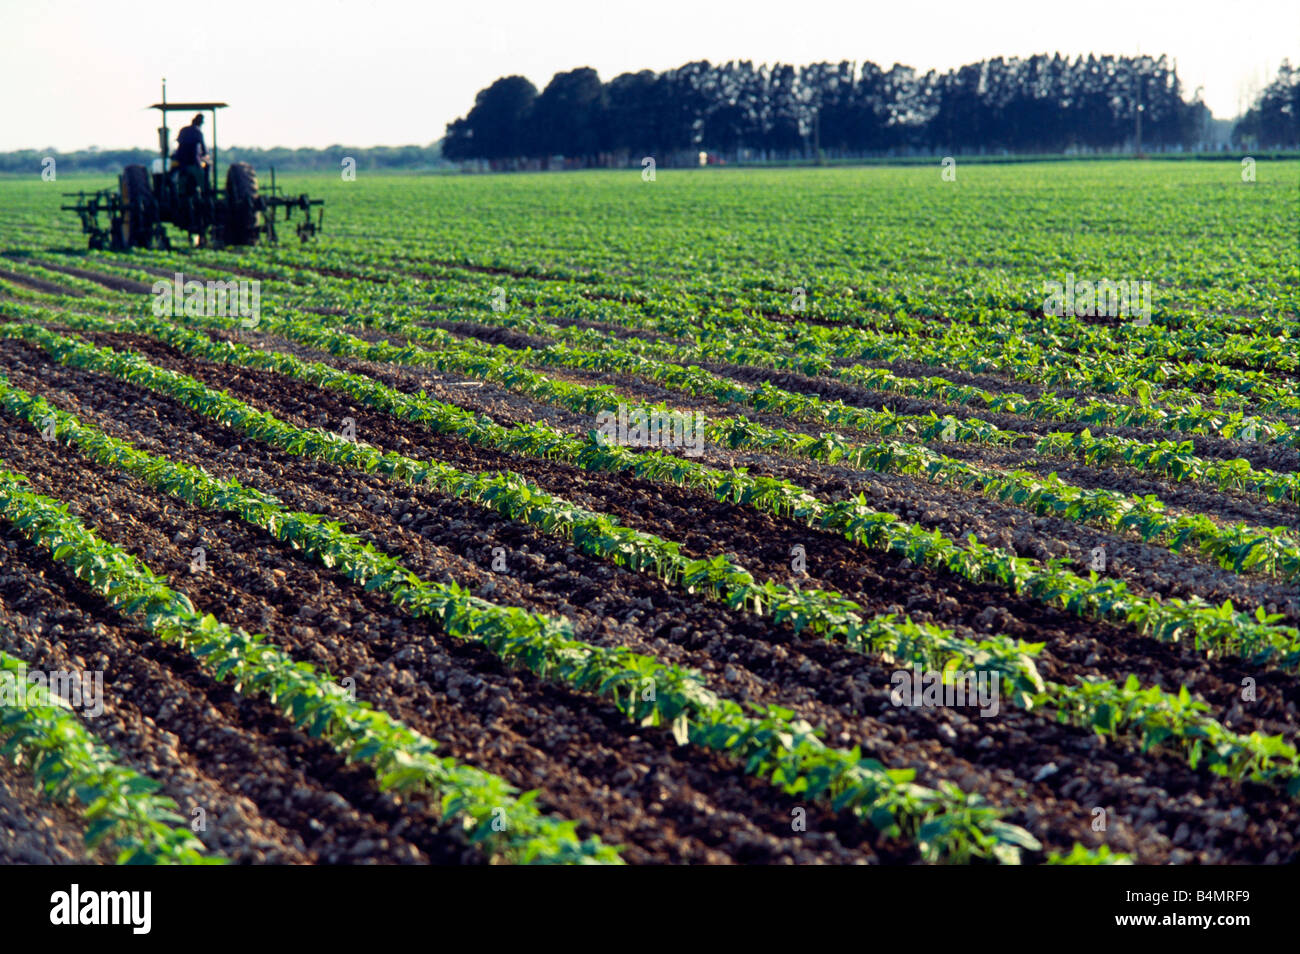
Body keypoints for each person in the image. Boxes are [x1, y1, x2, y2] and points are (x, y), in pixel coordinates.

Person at [173, 114, 208, 194]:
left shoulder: (183, 130)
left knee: (180, 182)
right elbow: (204, 149)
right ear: (200, 123)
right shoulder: (198, 132)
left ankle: (180, 193)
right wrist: (204, 154)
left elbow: (179, 142)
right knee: (201, 178)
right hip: (193, 162)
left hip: (181, 163)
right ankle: (204, 194)